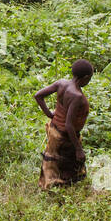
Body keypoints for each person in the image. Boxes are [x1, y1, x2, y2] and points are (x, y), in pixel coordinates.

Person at [33, 59, 93, 188]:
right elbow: (69, 124)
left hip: (54, 129)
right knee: (69, 165)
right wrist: (78, 149)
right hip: (65, 137)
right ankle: (59, 187)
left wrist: (50, 114)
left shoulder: (61, 83)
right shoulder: (77, 96)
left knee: (53, 160)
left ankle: (49, 183)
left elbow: (38, 95)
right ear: (86, 78)